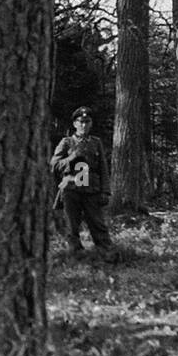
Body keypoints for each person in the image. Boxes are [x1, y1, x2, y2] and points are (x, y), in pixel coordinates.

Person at [50, 106, 112, 258]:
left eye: (87, 122)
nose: (84, 125)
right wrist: (71, 158)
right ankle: (75, 253)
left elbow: (103, 168)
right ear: (75, 124)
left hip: (91, 189)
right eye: (81, 122)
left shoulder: (96, 142)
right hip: (71, 188)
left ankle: (106, 251)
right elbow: (54, 165)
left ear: (91, 124)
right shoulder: (67, 142)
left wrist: (105, 191)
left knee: (97, 222)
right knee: (72, 224)